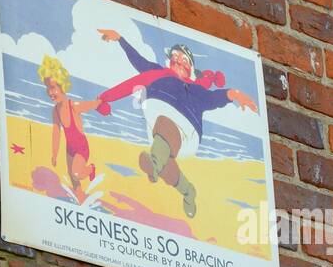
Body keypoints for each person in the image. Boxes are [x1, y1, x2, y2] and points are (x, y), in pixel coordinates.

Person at [96, 29, 256, 219]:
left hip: (187, 131)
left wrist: (235, 94)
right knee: (166, 164)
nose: (178, 61)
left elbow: (217, 97)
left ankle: (154, 163)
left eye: (184, 59)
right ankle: (188, 191)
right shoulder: (158, 72)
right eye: (175, 57)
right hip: (158, 124)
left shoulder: (197, 90)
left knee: (165, 129)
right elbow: (138, 60)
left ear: (191, 68)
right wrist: (121, 39)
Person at [40, 54, 98, 203]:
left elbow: (89, 105)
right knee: (73, 179)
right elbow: (56, 133)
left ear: (62, 86)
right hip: (69, 149)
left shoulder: (73, 106)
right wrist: (54, 153)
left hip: (81, 148)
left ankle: (91, 168)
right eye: (48, 88)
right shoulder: (55, 111)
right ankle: (81, 199)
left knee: (77, 173)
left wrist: (98, 102)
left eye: (53, 87)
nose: (50, 92)